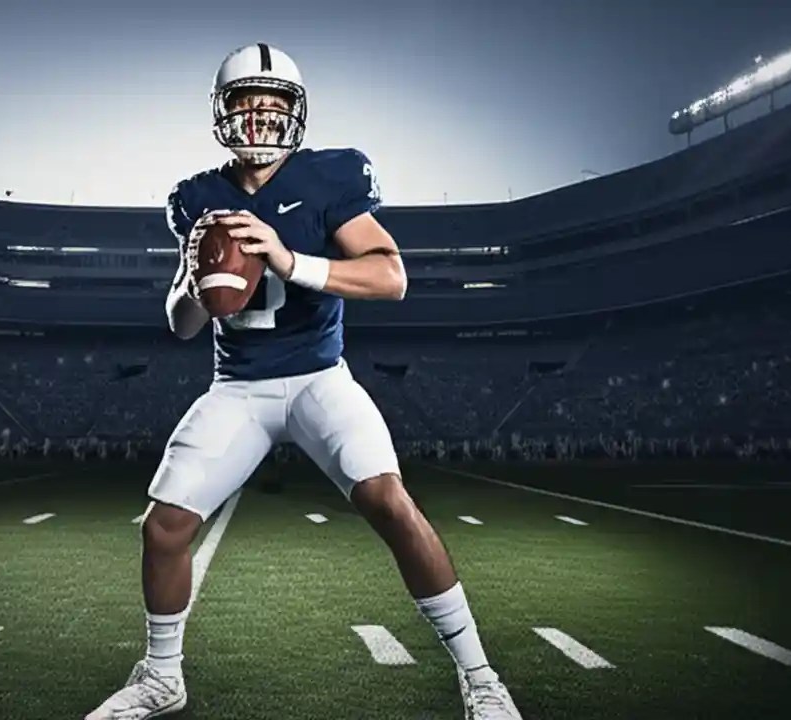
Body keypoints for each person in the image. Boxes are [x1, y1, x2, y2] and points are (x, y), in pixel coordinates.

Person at [87, 43, 522, 720]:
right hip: (238, 388)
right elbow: (180, 325)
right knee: (164, 528)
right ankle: (162, 676)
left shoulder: (327, 179)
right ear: (223, 114)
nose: (260, 119)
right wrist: (203, 277)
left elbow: (390, 276)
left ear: (295, 114)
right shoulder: (197, 198)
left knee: (389, 501)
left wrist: (290, 260)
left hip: (320, 377)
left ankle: (481, 676)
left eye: (273, 106)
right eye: (246, 106)